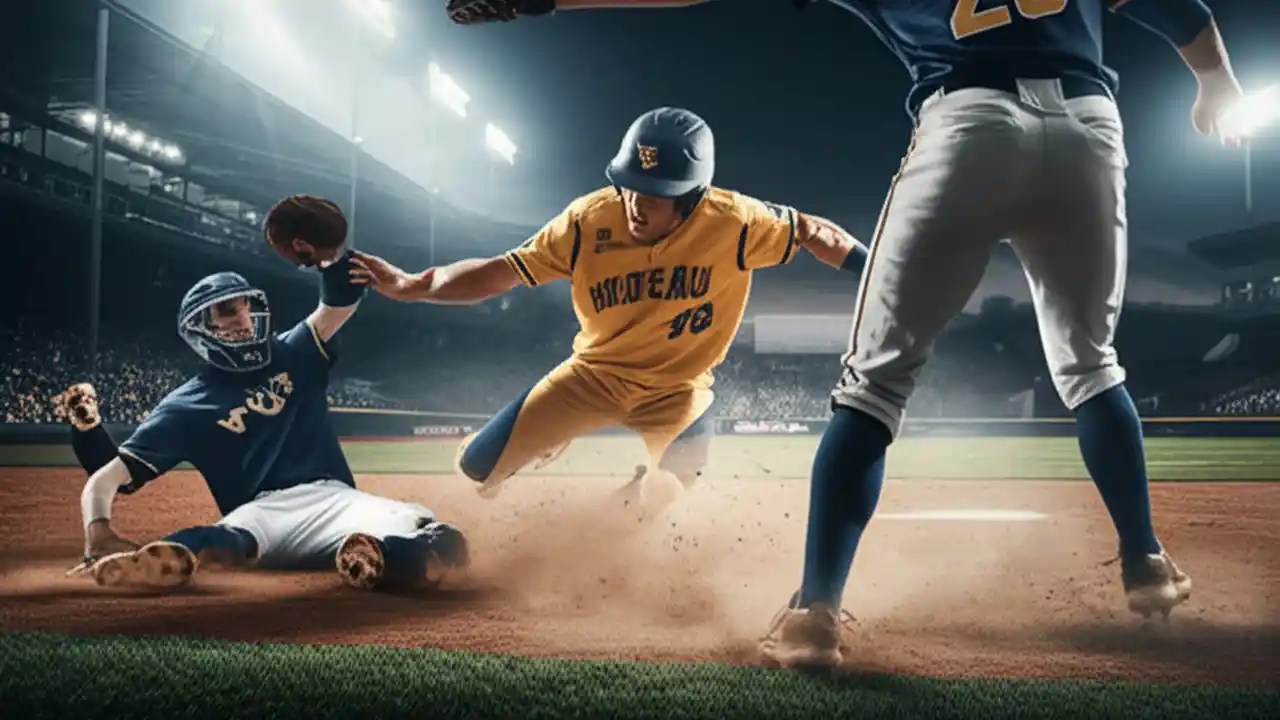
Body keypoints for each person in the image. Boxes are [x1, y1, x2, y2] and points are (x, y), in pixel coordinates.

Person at [445, 0, 1251, 667]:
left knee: (872, 387)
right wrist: (1213, 78)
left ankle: (814, 615)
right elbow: (1178, 9)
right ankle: (1145, 562)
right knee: (1090, 364)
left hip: (969, 119)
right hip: (1088, 125)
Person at [352, 107, 866, 511]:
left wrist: (878, 272)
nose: (637, 204)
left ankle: (625, 505)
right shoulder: (587, 221)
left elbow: (816, 232)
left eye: (657, 195)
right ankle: (554, 439)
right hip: (592, 377)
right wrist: (414, 283)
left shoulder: (734, 222)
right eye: (631, 187)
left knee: (668, 492)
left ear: (690, 198)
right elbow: (500, 271)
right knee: (477, 467)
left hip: (677, 390)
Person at [63, 196, 469, 592]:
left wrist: (323, 254)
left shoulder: (294, 350)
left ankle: (379, 558)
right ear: (199, 329)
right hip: (263, 511)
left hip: (337, 500)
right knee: (228, 537)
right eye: (226, 312)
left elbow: (340, 300)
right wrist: (97, 528)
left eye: (244, 307)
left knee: (425, 524)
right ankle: (169, 559)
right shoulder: (185, 406)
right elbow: (111, 476)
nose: (242, 318)